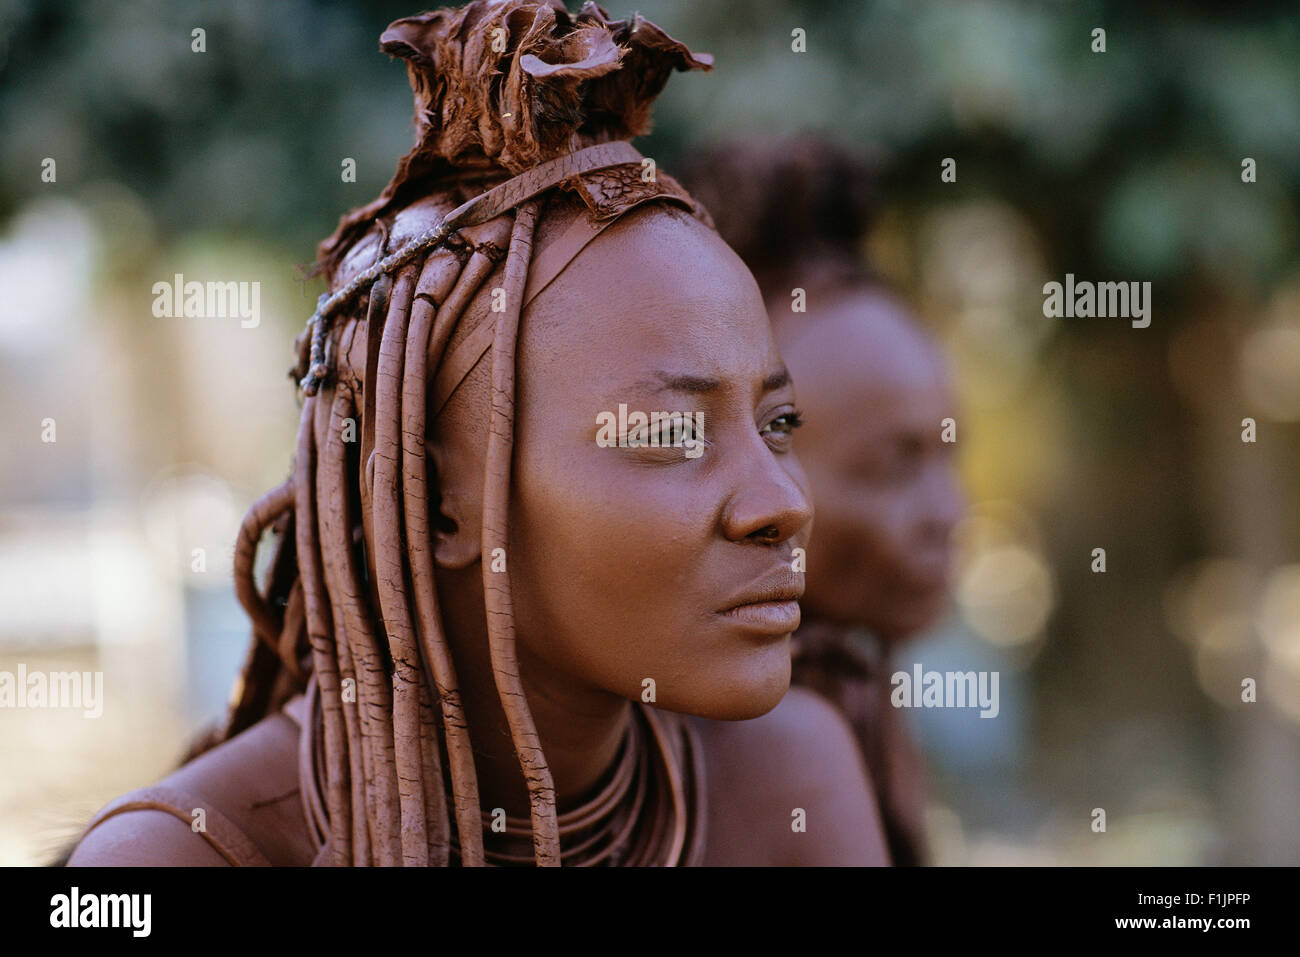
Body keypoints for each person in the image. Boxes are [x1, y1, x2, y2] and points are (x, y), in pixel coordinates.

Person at [66, 1, 888, 867]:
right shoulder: (182, 861)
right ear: (433, 498)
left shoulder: (790, 778)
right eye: (673, 430)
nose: (784, 505)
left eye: (779, 423)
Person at [680, 137, 966, 865]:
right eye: (891, 466)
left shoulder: (854, 696)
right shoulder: (770, 740)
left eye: (947, 454)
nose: (948, 512)